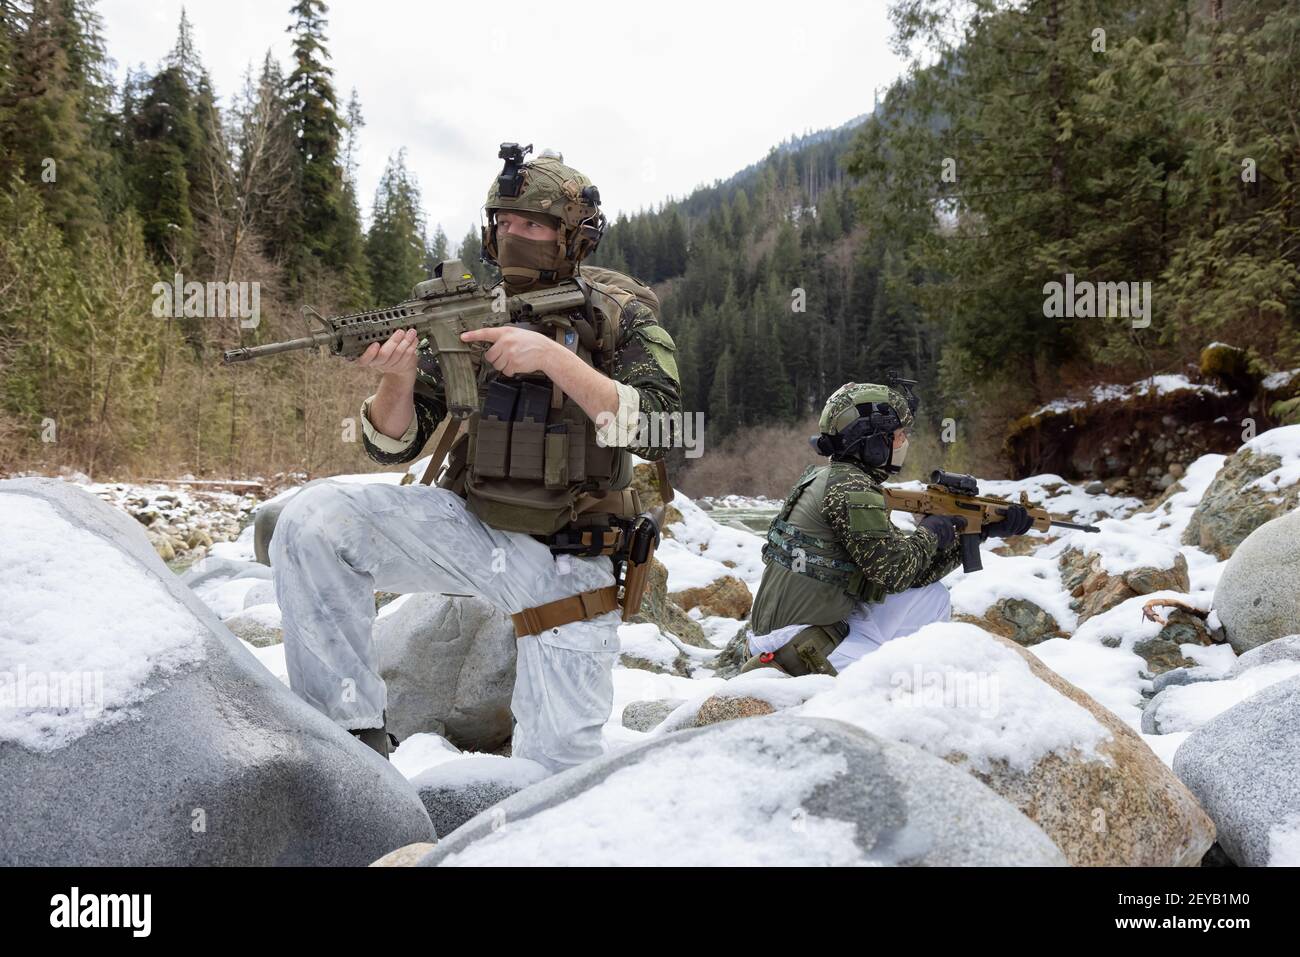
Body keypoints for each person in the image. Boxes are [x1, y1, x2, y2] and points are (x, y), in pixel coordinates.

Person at [271, 146, 682, 771]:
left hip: (572, 557)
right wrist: (397, 379)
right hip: (472, 530)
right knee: (313, 522)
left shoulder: (620, 315)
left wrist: (551, 359)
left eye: (535, 224)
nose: (516, 234)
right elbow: (394, 443)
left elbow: (662, 427)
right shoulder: (462, 315)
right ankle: (348, 752)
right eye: (505, 221)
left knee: (555, 781)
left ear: (573, 236)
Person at [743, 381, 1031, 676]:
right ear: (870, 440)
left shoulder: (826, 477)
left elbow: (908, 574)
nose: (904, 443)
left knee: (931, 597)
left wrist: (979, 532)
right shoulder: (853, 489)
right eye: (898, 436)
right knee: (917, 668)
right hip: (800, 648)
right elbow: (896, 572)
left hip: (784, 637)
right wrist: (930, 533)